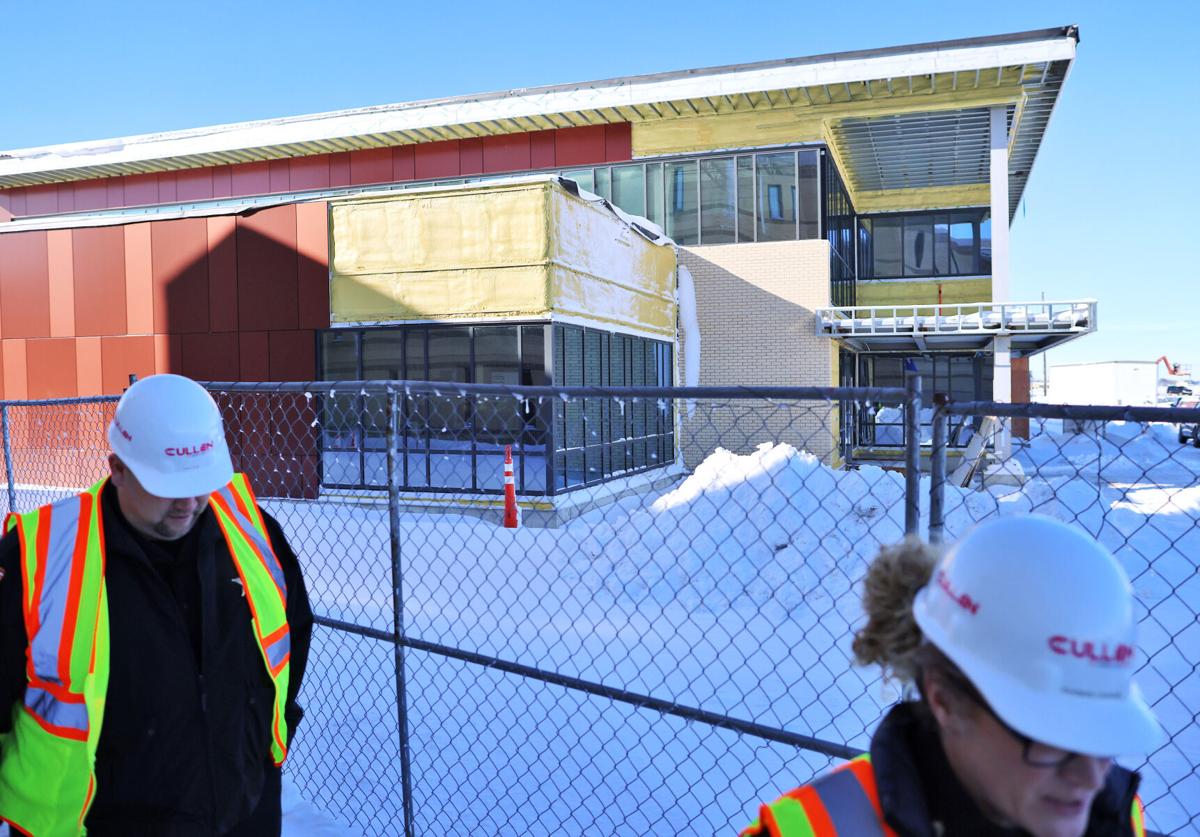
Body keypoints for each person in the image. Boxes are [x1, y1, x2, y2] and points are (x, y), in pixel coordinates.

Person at [0, 374, 313, 836]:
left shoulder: (251, 528)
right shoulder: (40, 558)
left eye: (201, 482)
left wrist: (259, 751)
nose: (189, 503)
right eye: (168, 486)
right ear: (118, 469)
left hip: (242, 818)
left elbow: (291, 636)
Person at [740, 515, 1163, 837]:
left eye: (1100, 734)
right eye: (1053, 737)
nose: (1091, 779)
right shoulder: (819, 827)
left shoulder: (1119, 816)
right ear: (944, 700)